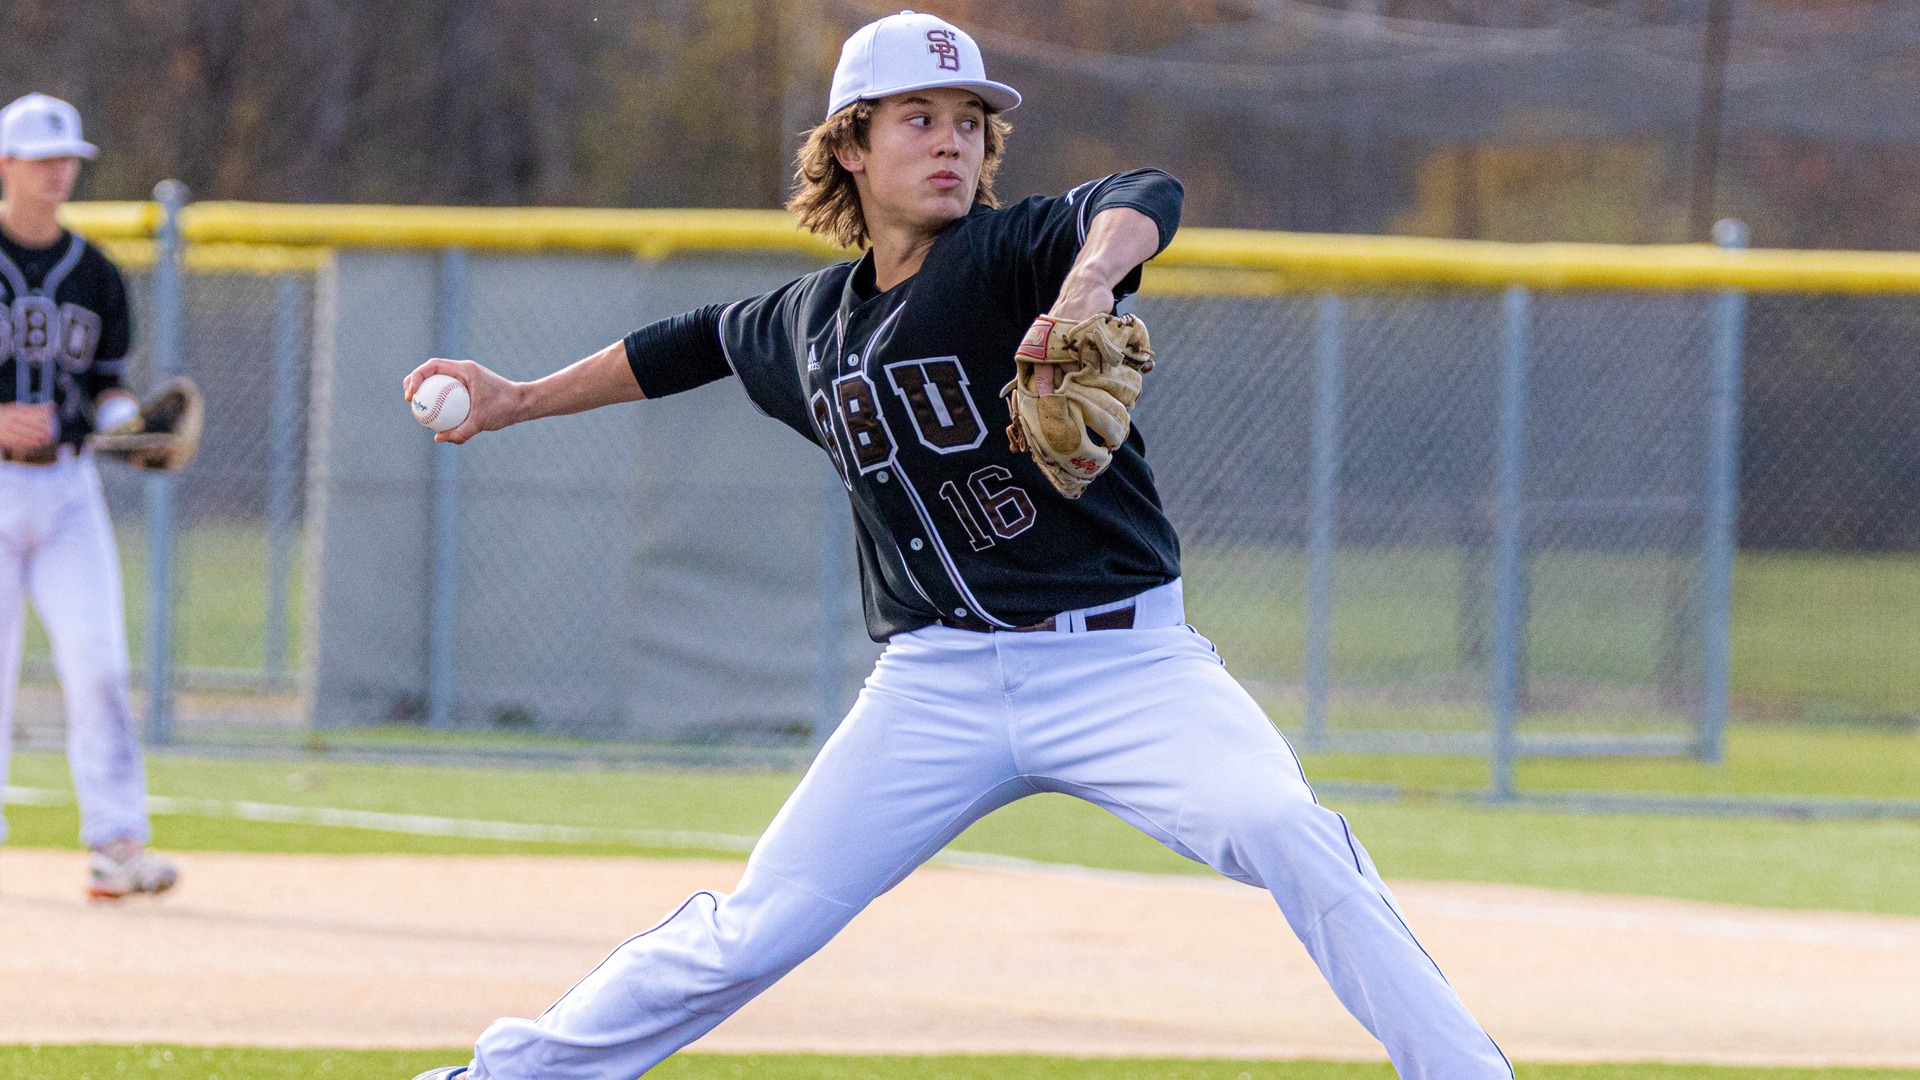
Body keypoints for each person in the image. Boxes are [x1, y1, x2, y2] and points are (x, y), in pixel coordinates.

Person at [405, 12, 1509, 1079]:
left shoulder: (1007, 255)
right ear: (849, 144)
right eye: (917, 118)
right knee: (755, 928)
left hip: (1121, 663)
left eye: (969, 122)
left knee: (1286, 830)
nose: (951, 142)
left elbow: (1144, 196)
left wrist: (1085, 282)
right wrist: (519, 400)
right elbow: (688, 344)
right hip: (934, 686)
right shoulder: (810, 322)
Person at [0, 92, 178, 900]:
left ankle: (117, 842)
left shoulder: (97, 273)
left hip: (68, 489)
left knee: (100, 664)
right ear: (7, 165)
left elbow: (104, 386)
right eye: (43, 159)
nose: (59, 172)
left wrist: (130, 424)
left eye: (68, 158)